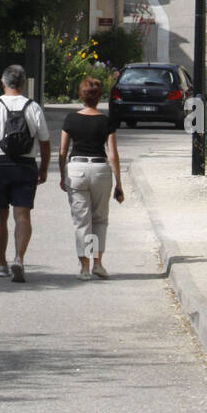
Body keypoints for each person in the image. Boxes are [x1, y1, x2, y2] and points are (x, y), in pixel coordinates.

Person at [0, 64, 50, 282]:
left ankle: (1, 264)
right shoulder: (34, 107)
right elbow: (45, 143)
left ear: (3, 81)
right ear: (23, 83)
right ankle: (19, 258)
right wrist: (43, 168)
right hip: (26, 165)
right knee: (22, 215)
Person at [59, 76, 124, 279]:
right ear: (99, 98)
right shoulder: (106, 121)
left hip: (76, 169)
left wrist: (63, 175)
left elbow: (62, 151)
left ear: (81, 96)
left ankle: (84, 268)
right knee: (99, 219)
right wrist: (119, 183)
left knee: (81, 220)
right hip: (99, 170)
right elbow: (112, 153)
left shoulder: (70, 119)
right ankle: (98, 263)